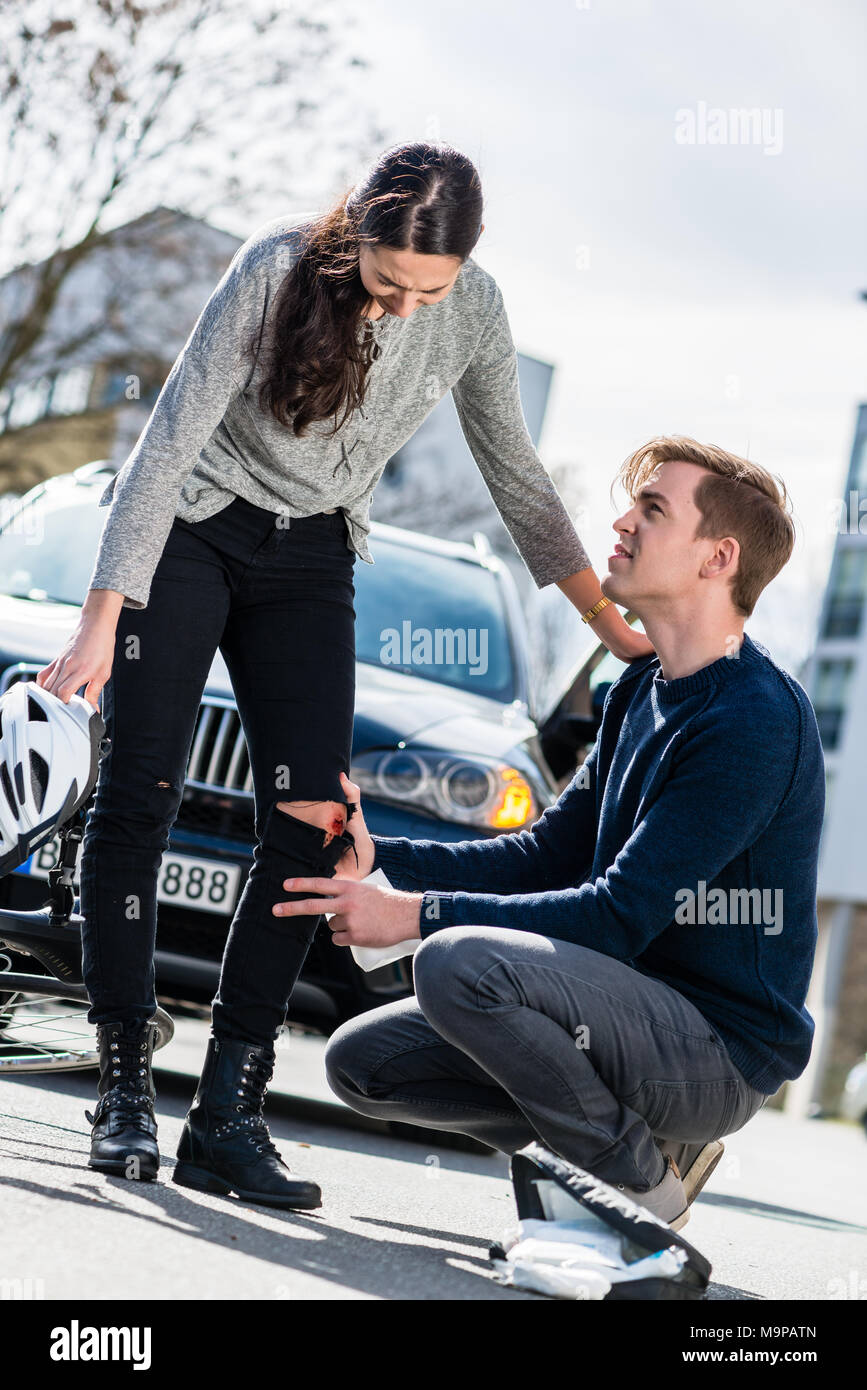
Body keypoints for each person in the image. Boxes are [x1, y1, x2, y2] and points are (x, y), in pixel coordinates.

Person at [36, 141, 644, 1208]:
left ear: (466, 267)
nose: (409, 307)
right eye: (388, 281)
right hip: (191, 530)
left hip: (312, 552)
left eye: (432, 289)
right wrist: (102, 614)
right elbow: (169, 436)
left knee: (311, 821)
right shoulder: (274, 270)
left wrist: (607, 615)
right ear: (356, 233)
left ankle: (228, 1109)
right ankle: (125, 1084)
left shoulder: (472, 311)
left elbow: (514, 466)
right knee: (136, 798)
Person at [315, 435, 825, 1231]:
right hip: (620, 1014)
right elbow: (545, 854)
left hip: (714, 1053)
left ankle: (631, 1184)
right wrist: (383, 856)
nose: (620, 522)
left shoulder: (753, 720)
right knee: (364, 1065)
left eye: (652, 511)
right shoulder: (635, 691)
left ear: (716, 557)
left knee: (458, 963)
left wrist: (413, 917)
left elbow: (615, 915)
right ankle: (641, 1154)